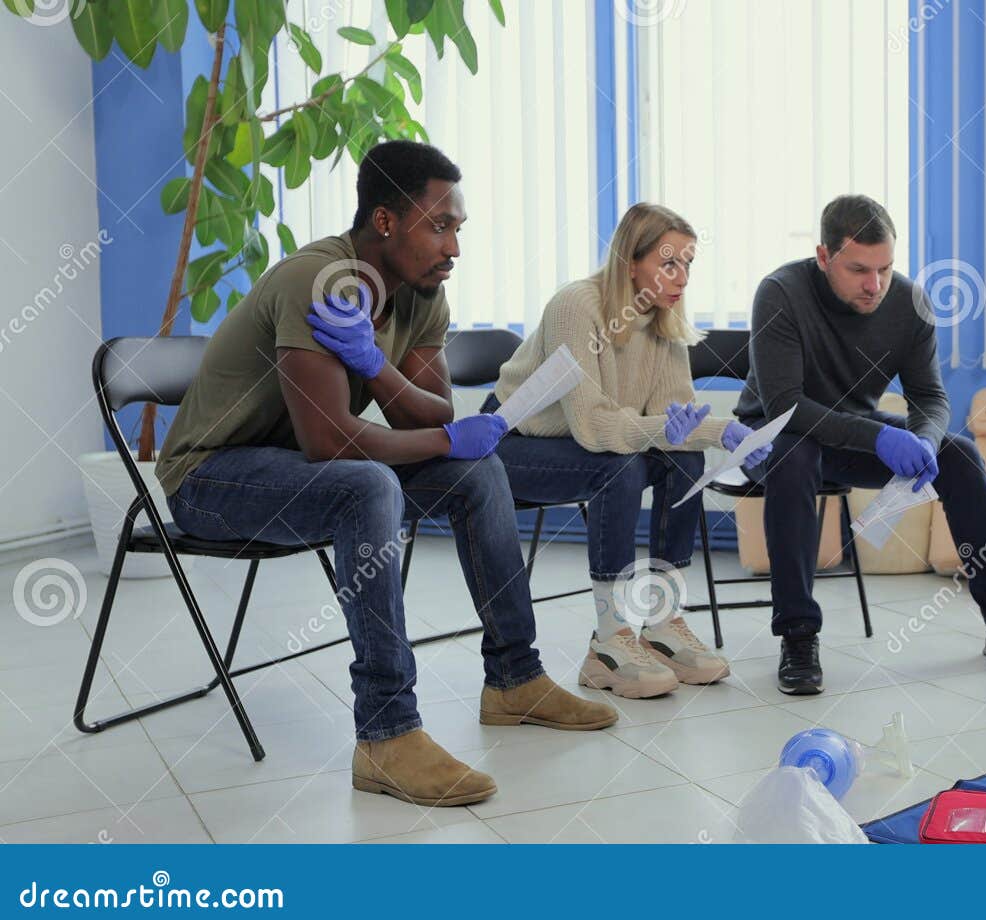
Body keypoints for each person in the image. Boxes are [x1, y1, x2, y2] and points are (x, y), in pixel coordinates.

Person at [155, 141, 615, 809]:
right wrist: (433, 428)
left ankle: (515, 679)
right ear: (385, 221)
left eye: (459, 227)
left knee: (476, 468)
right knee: (367, 483)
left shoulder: (423, 293)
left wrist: (374, 365)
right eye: (440, 225)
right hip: (212, 479)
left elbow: (432, 408)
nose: (454, 246)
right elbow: (332, 440)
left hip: (296, 472)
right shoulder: (318, 283)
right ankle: (386, 734)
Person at [734, 195, 986, 695]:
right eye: (858, 270)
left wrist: (923, 438)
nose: (874, 285)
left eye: (885, 268)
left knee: (958, 454)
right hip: (771, 437)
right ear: (823, 256)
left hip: (849, 432)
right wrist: (880, 434)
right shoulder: (780, 293)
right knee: (794, 454)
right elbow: (787, 407)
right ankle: (798, 635)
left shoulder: (909, 303)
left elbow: (930, 396)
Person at [487, 203, 771, 699]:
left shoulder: (663, 321)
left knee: (685, 460)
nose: (681, 277)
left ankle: (662, 624)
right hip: (513, 443)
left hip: (590, 445)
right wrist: (668, 428)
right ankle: (610, 641)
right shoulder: (576, 307)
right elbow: (595, 428)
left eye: (687, 264)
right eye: (668, 263)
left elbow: (671, 423)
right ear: (629, 262)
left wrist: (727, 432)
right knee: (616, 468)